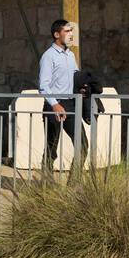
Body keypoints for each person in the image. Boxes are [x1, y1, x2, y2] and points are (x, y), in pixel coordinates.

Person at [40, 18, 88, 169]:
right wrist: (55, 105)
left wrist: (81, 87)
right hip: (53, 105)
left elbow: (74, 77)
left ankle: (74, 186)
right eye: (67, 31)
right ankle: (46, 186)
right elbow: (43, 85)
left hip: (70, 103)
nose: (71, 34)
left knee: (83, 146)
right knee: (51, 149)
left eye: (71, 31)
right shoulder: (49, 56)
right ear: (56, 34)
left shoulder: (71, 55)